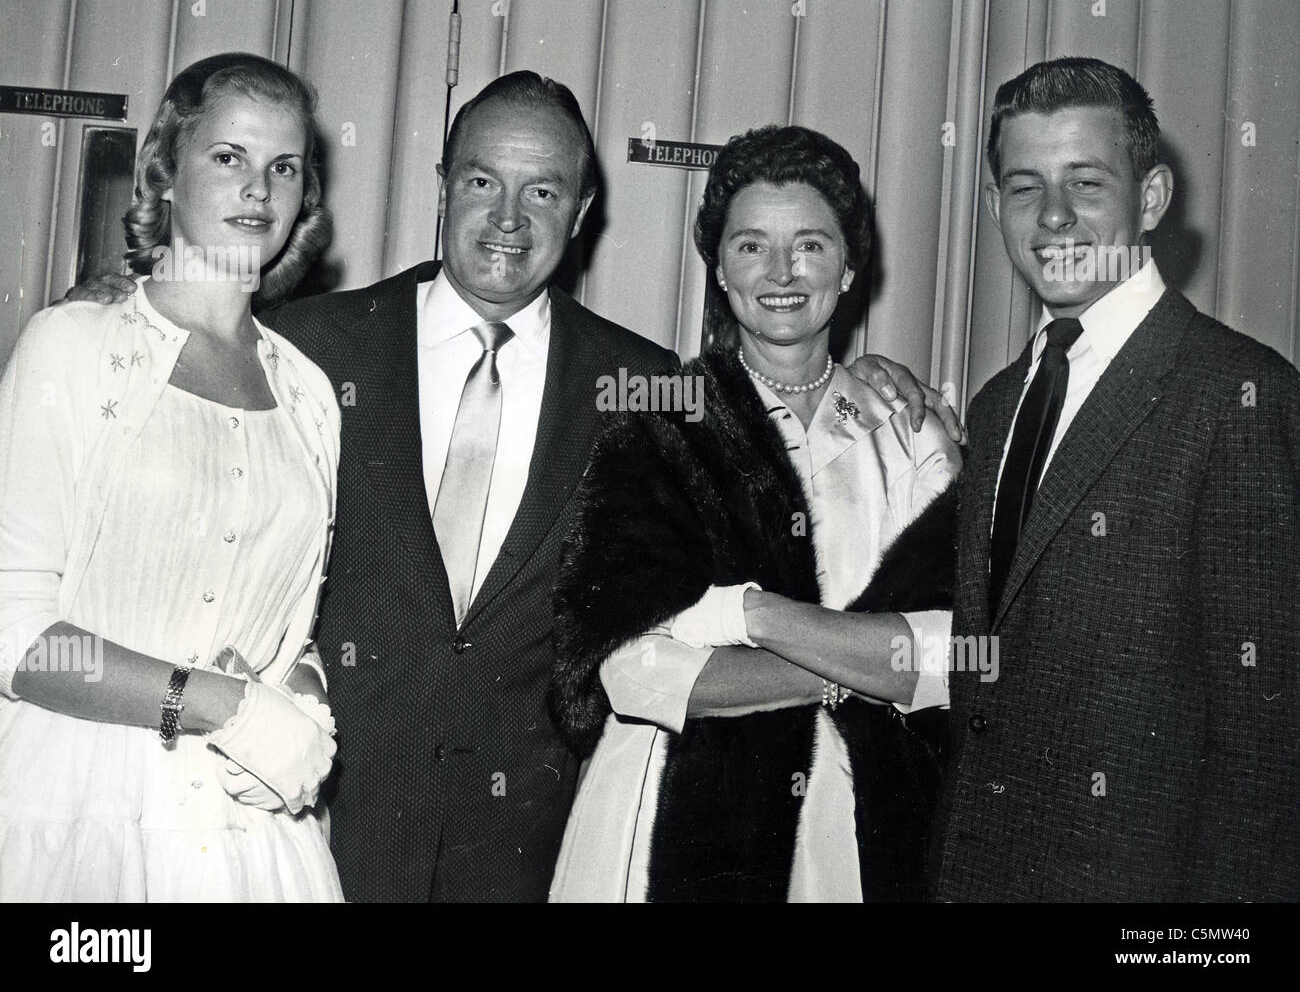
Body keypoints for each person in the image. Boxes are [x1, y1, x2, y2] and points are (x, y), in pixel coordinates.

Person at [71, 71, 961, 902]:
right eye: (482, 182)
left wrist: (875, 382)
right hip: (309, 823)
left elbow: (777, 408)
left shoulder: (645, 384)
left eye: (543, 192)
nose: (508, 218)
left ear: (581, 211)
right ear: (443, 185)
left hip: (527, 849)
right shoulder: (304, 345)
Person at [548, 124, 961, 902]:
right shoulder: (661, 423)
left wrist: (749, 616)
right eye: (750, 246)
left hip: (856, 817)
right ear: (719, 267)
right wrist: (858, 667)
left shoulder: (910, 435)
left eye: (810, 245)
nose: (780, 273)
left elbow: (951, 656)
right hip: (668, 810)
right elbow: (634, 671)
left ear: (849, 265)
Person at [932, 56, 1300, 901]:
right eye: (1024, 187)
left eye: (1086, 183)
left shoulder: (1240, 395)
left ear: (1153, 198)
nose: (1053, 216)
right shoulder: (996, 405)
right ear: (993, 207)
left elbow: (1269, 744)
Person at [0, 53, 343, 901]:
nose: (258, 188)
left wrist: (305, 706)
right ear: (164, 168)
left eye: (284, 167)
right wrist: (222, 705)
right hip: (79, 812)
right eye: (228, 156)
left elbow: (285, 627)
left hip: (249, 836)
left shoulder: (310, 394)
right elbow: (14, 630)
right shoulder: (72, 346)